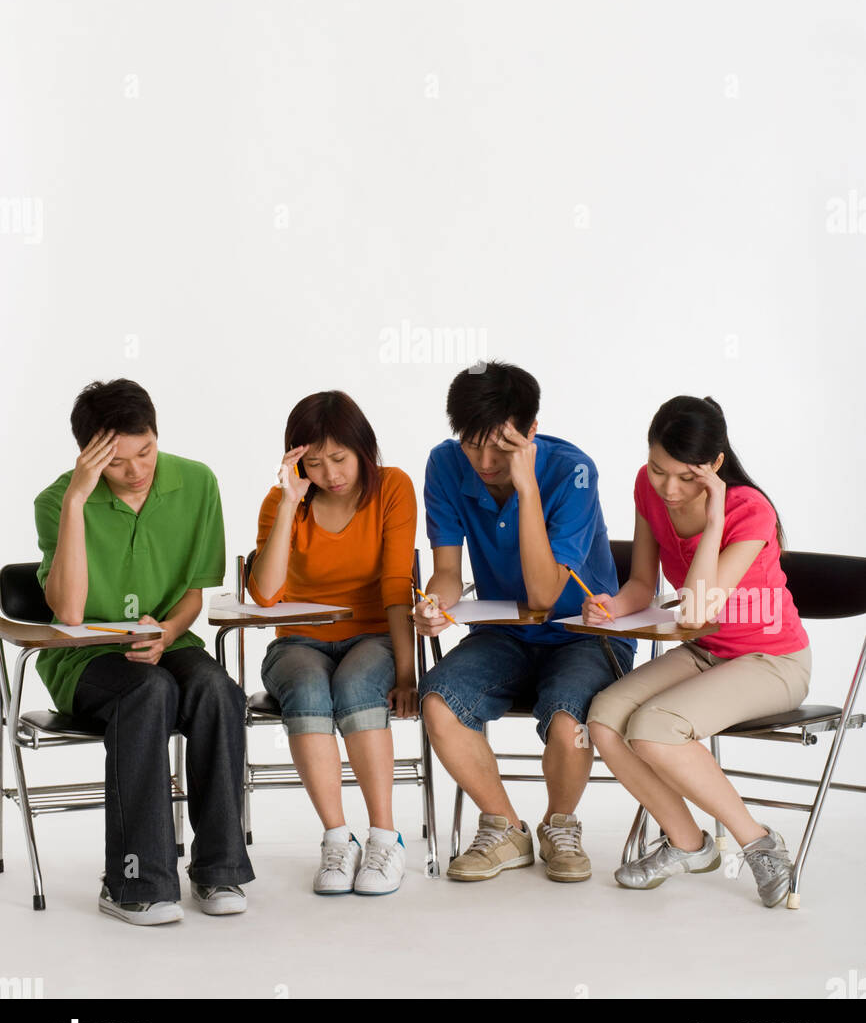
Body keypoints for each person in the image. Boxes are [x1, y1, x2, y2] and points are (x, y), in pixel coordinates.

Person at [34, 379, 254, 925]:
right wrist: (79, 500)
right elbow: (67, 612)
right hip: (83, 659)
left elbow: (195, 593)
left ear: (157, 435)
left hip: (168, 638)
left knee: (216, 690)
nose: (135, 471)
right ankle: (135, 881)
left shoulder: (198, 482)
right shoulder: (58, 500)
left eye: (145, 451)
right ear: (87, 457)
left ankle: (219, 869)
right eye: (115, 462)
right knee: (148, 690)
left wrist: (166, 631)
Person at [586, 395, 811, 908]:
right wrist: (611, 606)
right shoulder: (649, 489)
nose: (668, 488)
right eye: (658, 469)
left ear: (714, 466)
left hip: (772, 661)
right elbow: (643, 585)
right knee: (603, 719)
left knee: (655, 728)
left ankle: (759, 843)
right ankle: (688, 844)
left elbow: (697, 608)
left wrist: (713, 520)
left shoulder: (750, 510)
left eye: (686, 477)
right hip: (708, 651)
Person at [415, 361, 632, 883]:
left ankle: (560, 823)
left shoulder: (573, 471)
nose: (485, 461)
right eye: (472, 444)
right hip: (503, 636)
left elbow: (543, 593)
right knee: (440, 701)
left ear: (530, 433)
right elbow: (447, 572)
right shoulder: (444, 465)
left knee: (567, 718)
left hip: (582, 636)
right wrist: (433, 604)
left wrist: (527, 486)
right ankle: (505, 828)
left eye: (501, 448)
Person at [248, 391, 417, 896]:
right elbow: (265, 593)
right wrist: (288, 504)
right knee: (306, 686)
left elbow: (395, 587)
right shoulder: (284, 503)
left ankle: (385, 838)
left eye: (339, 458)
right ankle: (337, 840)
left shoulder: (392, 486)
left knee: (355, 682)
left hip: (373, 636)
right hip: (298, 641)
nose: (330, 474)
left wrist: (408, 675)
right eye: (315, 463)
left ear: (363, 448)